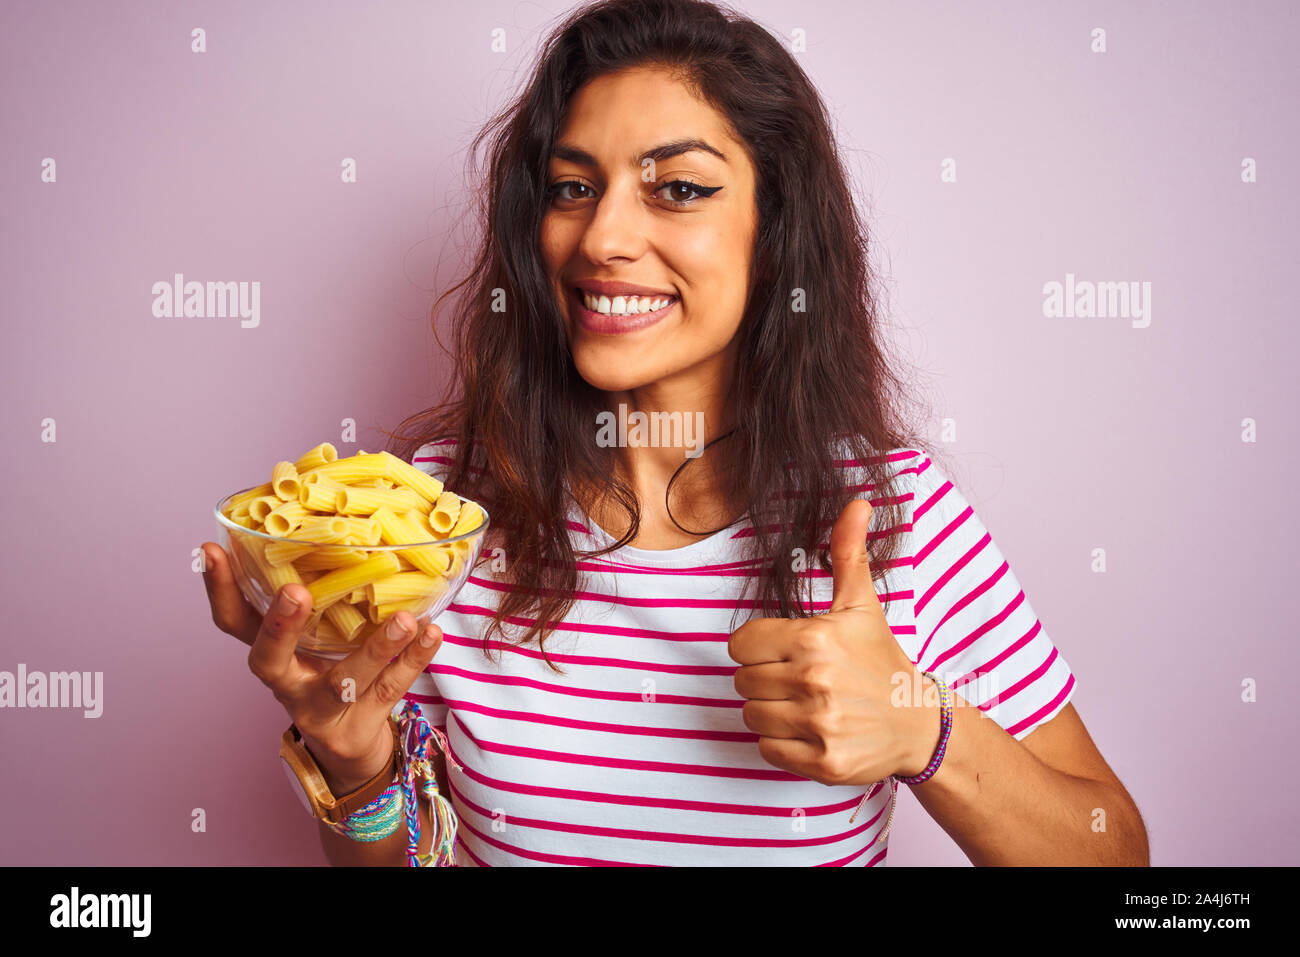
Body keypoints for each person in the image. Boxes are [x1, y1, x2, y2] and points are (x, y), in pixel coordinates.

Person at [202, 0, 1148, 866]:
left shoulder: (898, 518)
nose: (602, 236)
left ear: (773, 233)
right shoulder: (438, 516)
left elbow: (1119, 860)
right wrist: (356, 762)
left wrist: (925, 728)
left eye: (679, 189)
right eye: (572, 188)